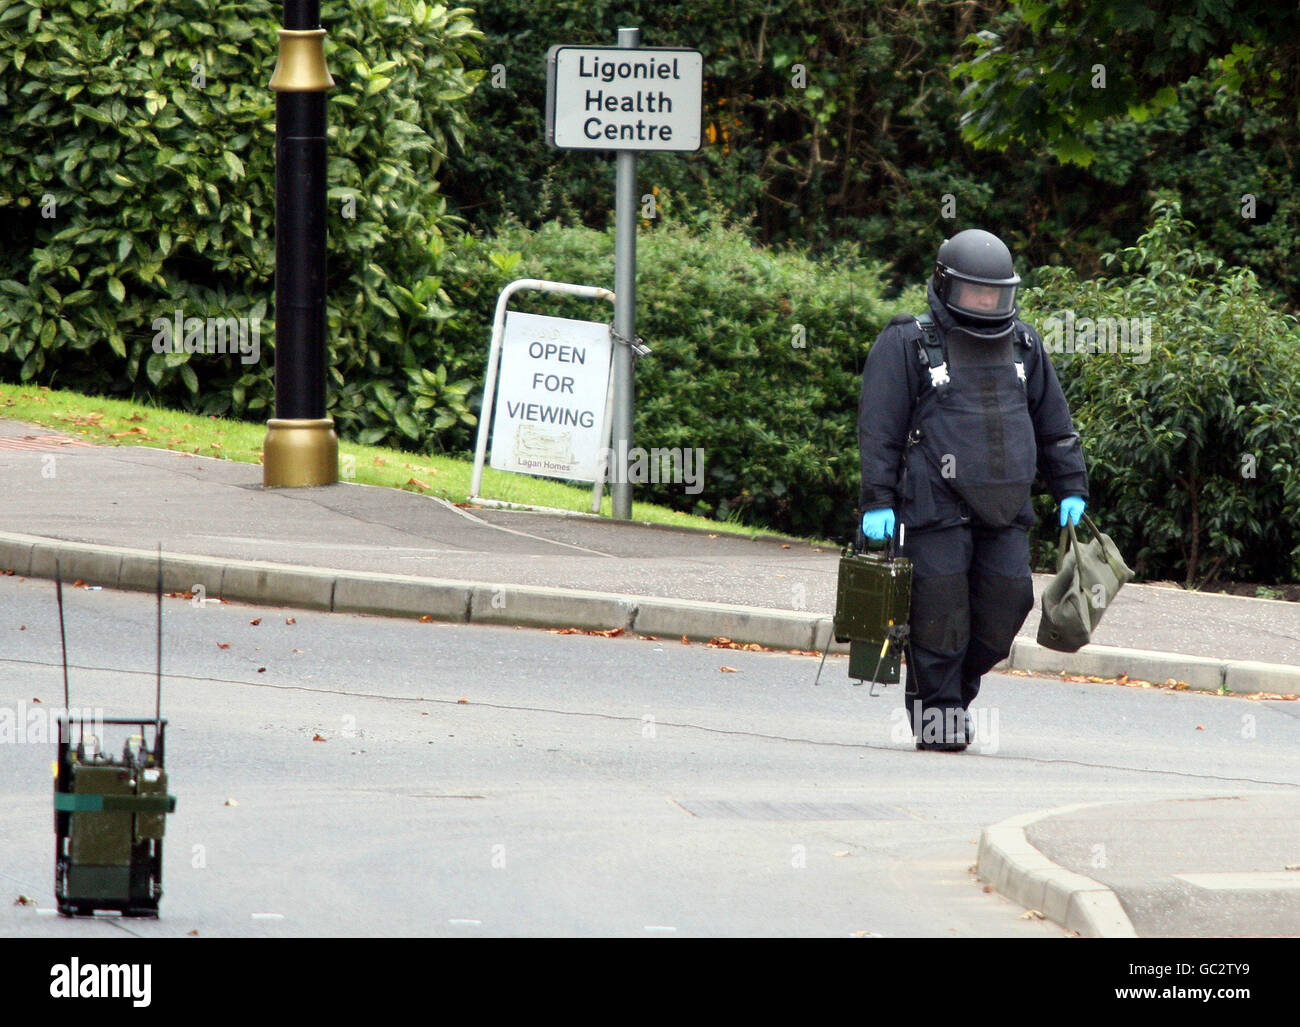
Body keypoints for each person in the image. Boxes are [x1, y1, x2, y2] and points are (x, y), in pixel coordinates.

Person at [857, 228, 1088, 751]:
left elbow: (1054, 424)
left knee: (1006, 606)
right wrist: (878, 500)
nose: (986, 303)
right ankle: (940, 715)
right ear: (945, 285)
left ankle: (953, 691)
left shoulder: (1023, 343)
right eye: (975, 293)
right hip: (933, 506)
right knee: (939, 614)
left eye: (995, 294)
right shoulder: (909, 341)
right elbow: (880, 430)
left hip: (1005, 506)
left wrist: (1070, 485)